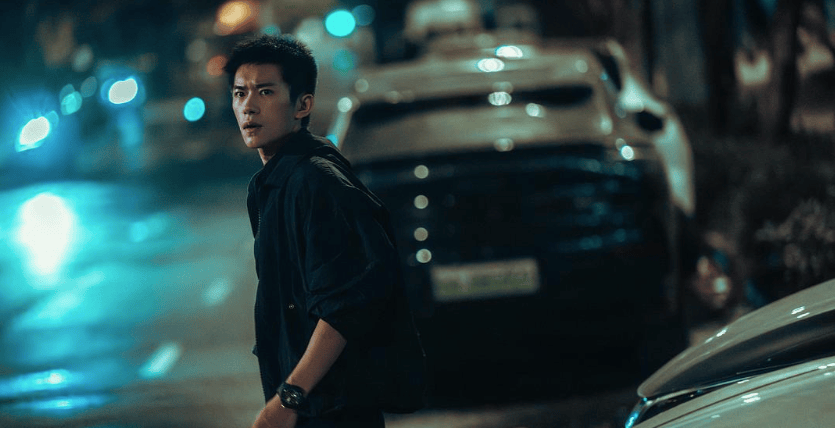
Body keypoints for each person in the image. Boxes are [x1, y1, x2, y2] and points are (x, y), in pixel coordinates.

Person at [223, 35, 425, 428]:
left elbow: (344, 307)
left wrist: (288, 399)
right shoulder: (271, 185)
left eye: (266, 91)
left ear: (302, 105)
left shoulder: (317, 182)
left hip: (335, 409)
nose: (249, 106)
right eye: (240, 93)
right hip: (314, 406)